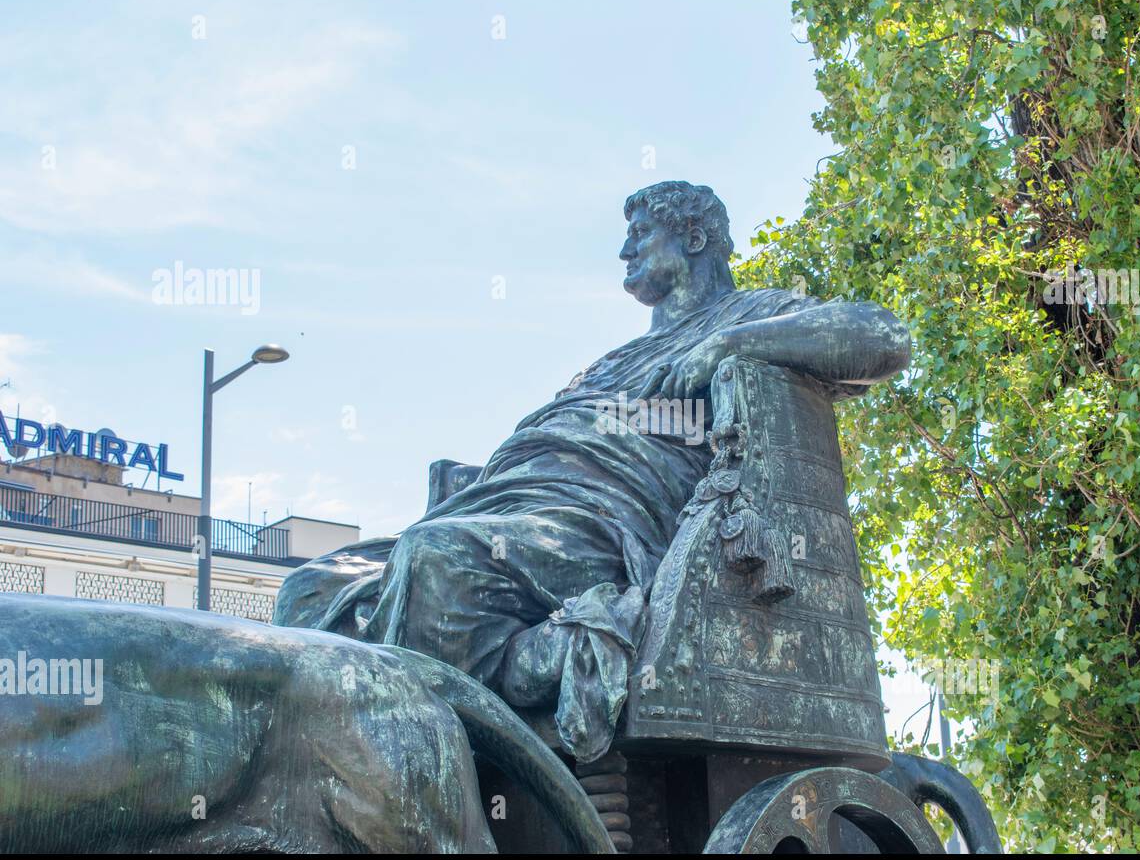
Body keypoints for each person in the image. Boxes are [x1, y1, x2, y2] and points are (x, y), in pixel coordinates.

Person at [271, 181, 910, 757]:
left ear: (692, 236)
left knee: (438, 561)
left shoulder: (749, 315)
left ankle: (424, 791)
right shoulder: (613, 359)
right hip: (526, 507)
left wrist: (728, 345)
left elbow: (883, 336)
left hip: (618, 519)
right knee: (313, 588)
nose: (622, 253)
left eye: (639, 234)